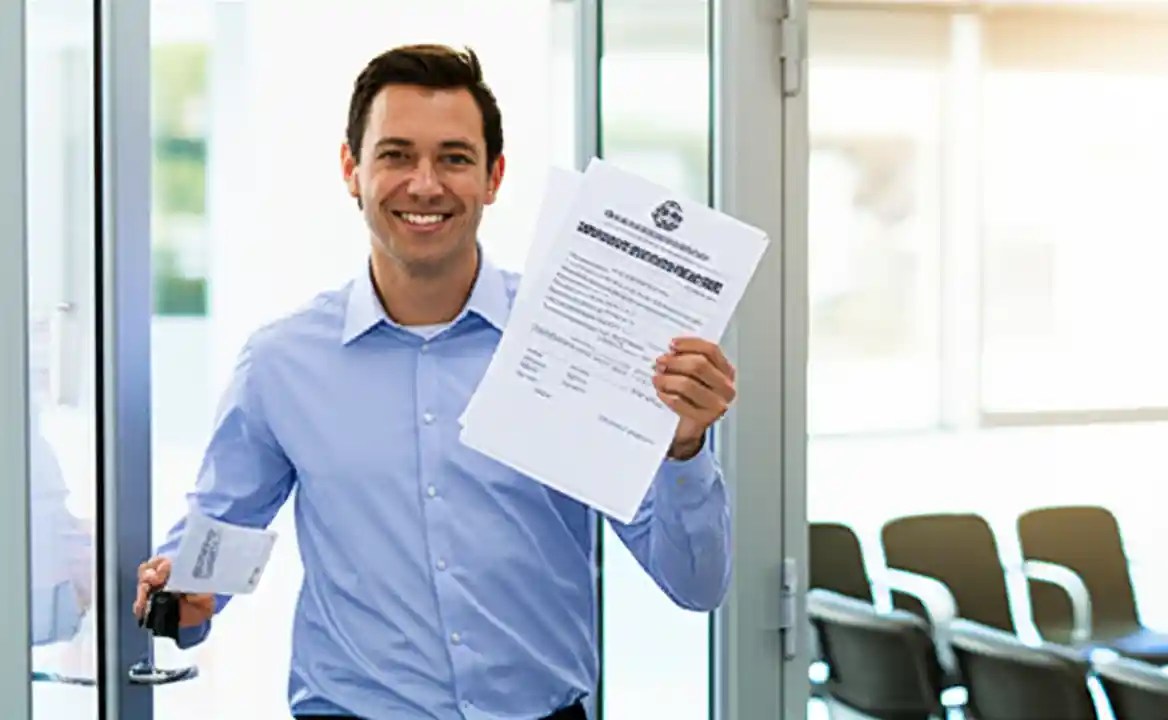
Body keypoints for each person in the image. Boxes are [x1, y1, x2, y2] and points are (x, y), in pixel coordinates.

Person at [134, 43, 736, 720]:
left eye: (454, 157)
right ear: (351, 169)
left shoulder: (577, 346)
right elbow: (211, 550)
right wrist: (182, 595)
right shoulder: (281, 364)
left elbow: (696, 585)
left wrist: (685, 451)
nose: (424, 184)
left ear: (494, 176)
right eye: (395, 155)